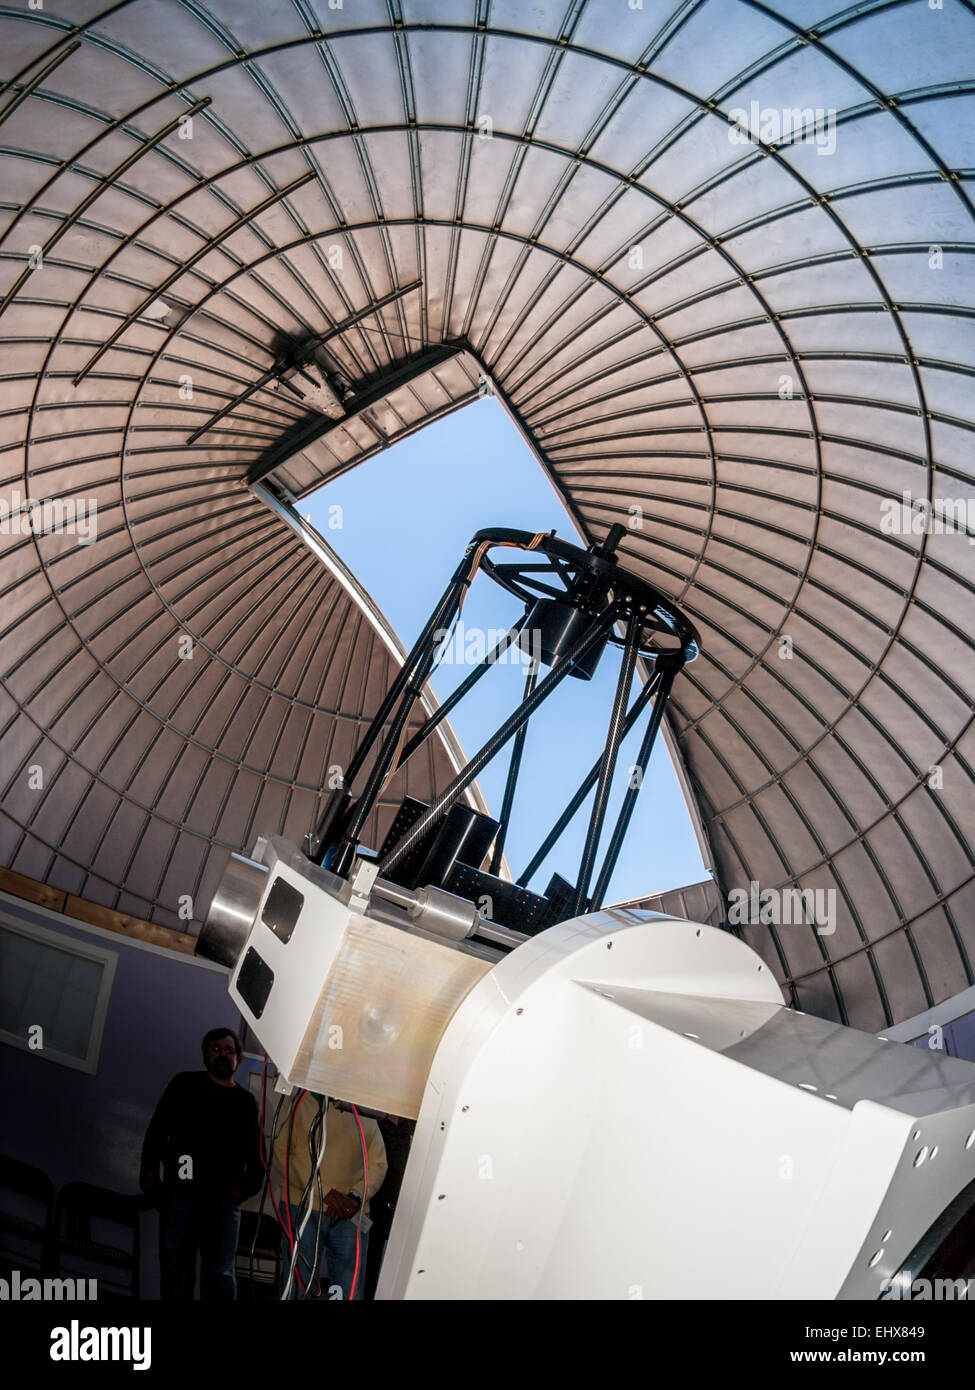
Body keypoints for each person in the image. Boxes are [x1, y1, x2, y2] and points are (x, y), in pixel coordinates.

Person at [140, 1027, 262, 1300]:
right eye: (216, 1049)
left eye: (229, 1050)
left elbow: (257, 1156)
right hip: (180, 1195)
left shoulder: (245, 1102)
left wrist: (240, 1192)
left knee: (220, 1276)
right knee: (175, 1273)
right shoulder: (185, 1084)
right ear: (205, 1054)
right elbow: (158, 1129)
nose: (222, 1055)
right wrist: (148, 1171)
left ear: (238, 1059)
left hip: (223, 1205)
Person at [272, 1093, 387, 1300]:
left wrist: (355, 1196)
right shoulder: (297, 1102)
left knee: (349, 1288)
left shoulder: (364, 1109)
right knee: (300, 1284)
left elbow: (378, 1164)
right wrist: (326, 1193)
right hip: (303, 1206)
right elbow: (281, 1153)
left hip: (351, 1211)